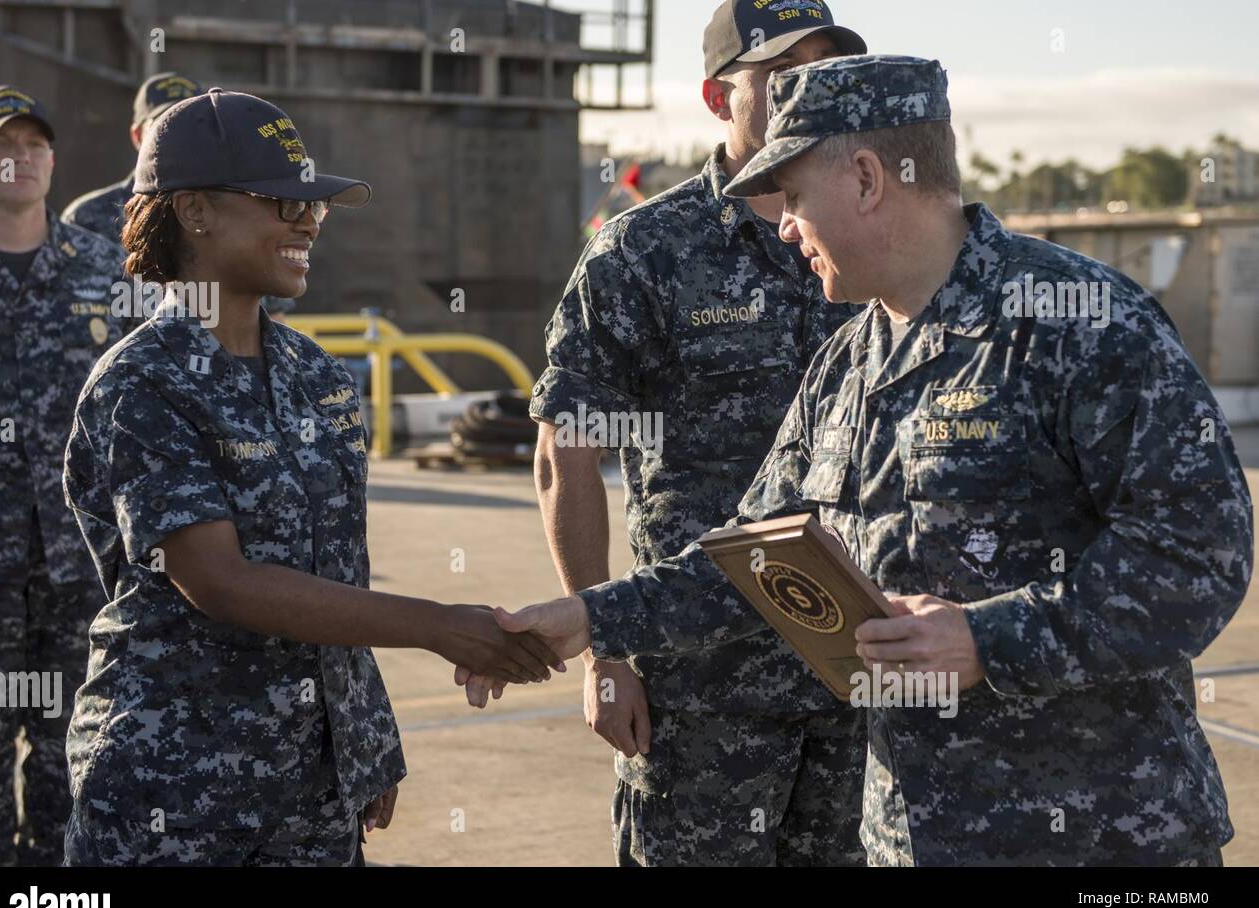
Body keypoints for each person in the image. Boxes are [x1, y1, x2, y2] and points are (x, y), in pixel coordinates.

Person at [474, 55, 1254, 866]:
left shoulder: (1082, 325)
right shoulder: (849, 362)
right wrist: (589, 619)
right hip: (904, 839)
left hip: (1099, 842)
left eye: (796, 196)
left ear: (869, 179)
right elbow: (756, 559)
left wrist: (990, 641)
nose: (783, 226)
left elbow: (1201, 554)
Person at [60, 89, 563, 866]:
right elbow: (219, 581)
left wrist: (365, 732)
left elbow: (339, 572)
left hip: (311, 789)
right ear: (194, 211)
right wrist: (437, 626)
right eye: (279, 201)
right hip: (170, 792)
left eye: (314, 204)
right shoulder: (141, 382)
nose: (308, 220)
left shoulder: (318, 377)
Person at [458, 0, 869, 867]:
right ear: (721, 99)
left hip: (858, 670)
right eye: (784, 78)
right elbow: (566, 453)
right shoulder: (646, 251)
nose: (811, 95)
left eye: (827, 73)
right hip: (701, 683)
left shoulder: (873, 238)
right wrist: (606, 653)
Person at [0, 85, 131, 865]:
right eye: (1, 146)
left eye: (32, 145)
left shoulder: (103, 270)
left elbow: (145, 402)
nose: (19, 158)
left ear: (53, 160)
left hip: (82, 573)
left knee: (80, 766)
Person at [62, 72, 203, 242]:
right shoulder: (86, 219)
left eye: (190, 123)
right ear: (137, 136)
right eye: (163, 125)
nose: (178, 135)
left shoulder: (224, 211)